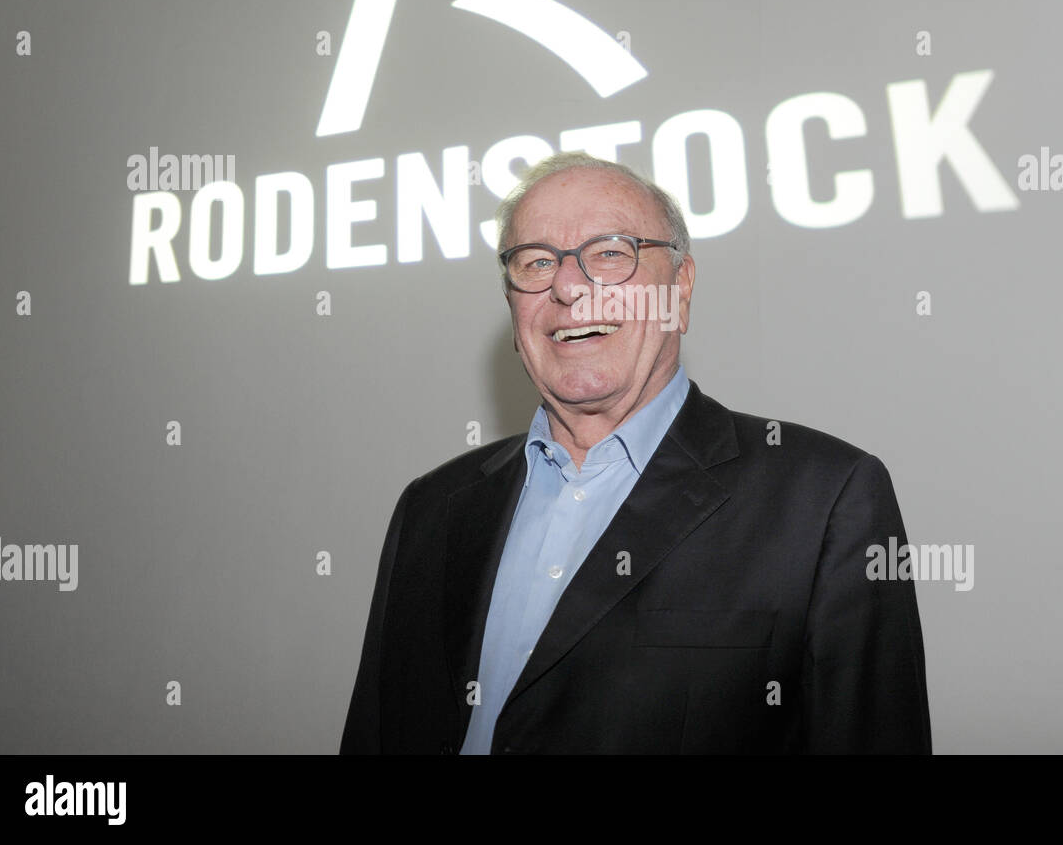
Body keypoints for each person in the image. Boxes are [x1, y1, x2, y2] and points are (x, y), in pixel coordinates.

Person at [339, 151, 932, 754]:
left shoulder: (823, 499)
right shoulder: (431, 507)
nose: (569, 287)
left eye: (610, 253)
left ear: (680, 288)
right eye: (536, 261)